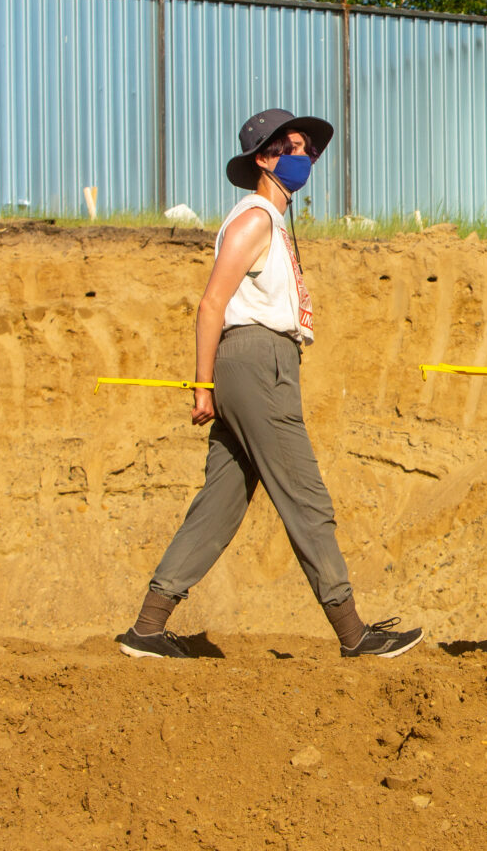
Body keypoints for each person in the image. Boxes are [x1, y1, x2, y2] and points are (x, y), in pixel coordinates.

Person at [117, 109, 422, 660]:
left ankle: (146, 627)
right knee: (306, 498)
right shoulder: (255, 218)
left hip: (261, 361)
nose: (304, 157)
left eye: (306, 148)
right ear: (263, 159)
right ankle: (354, 634)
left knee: (221, 501)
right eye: (292, 148)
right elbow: (212, 303)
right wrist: (201, 385)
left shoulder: (272, 223)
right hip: (257, 362)